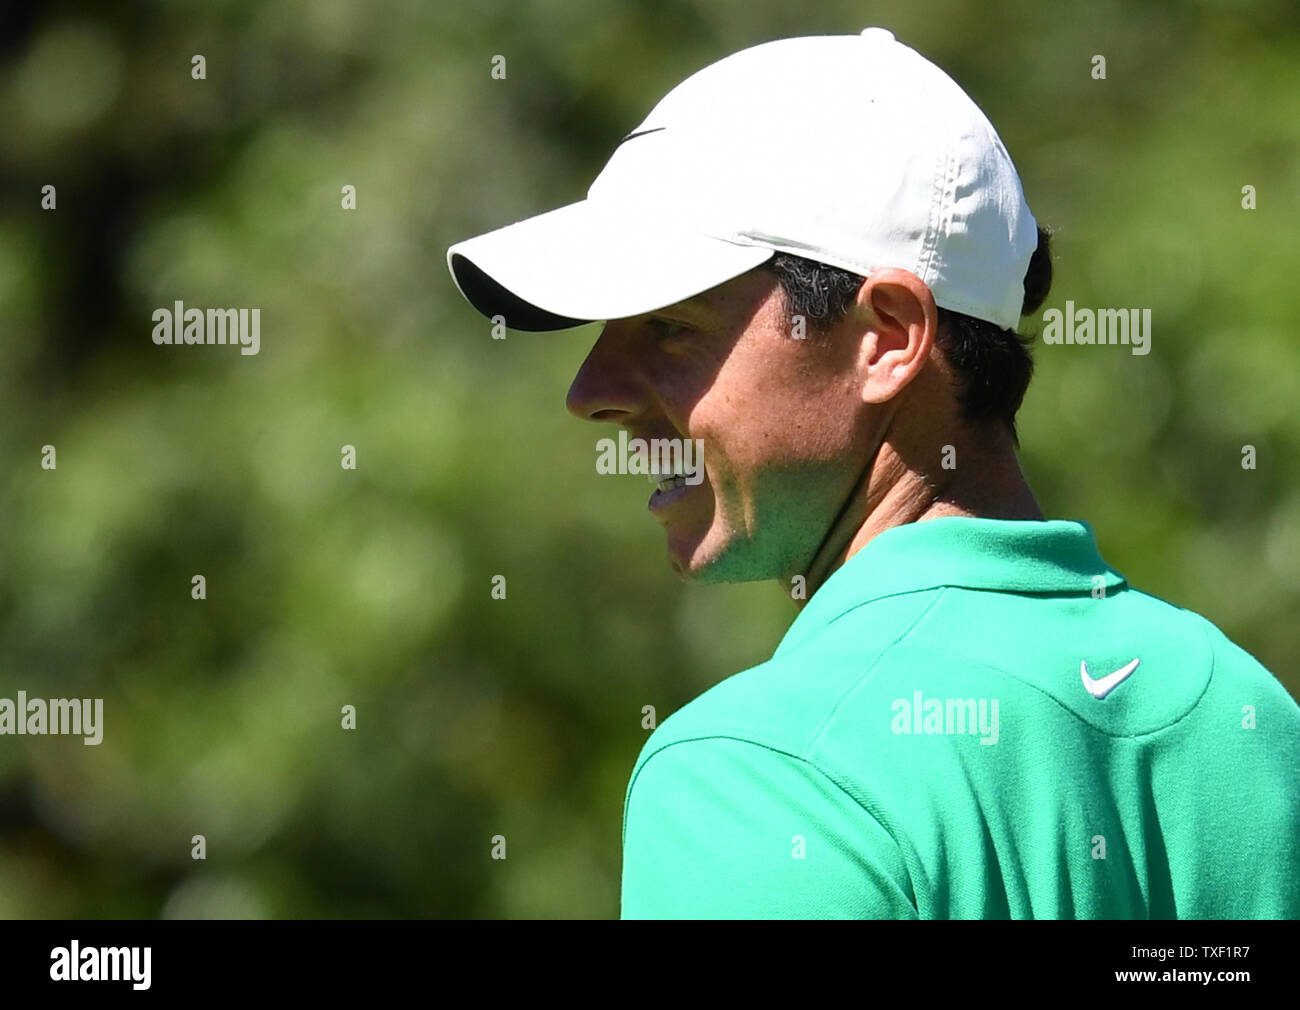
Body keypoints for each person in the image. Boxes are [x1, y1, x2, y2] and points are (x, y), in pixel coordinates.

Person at [445, 27, 1300, 918]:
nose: (589, 392)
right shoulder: (1248, 719)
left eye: (669, 327)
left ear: (888, 337)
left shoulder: (755, 780)